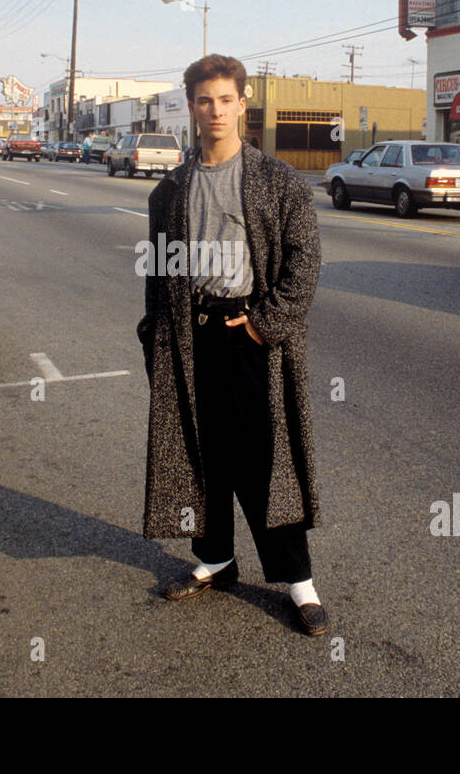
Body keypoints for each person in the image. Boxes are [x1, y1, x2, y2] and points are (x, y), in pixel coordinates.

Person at [136, 54, 328, 636]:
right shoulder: (169, 190)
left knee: (264, 459)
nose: (214, 110)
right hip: (188, 338)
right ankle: (215, 558)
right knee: (199, 452)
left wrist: (260, 325)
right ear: (191, 106)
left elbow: (305, 265)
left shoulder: (280, 182)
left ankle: (299, 582)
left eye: (225, 99)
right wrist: (156, 338)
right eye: (203, 100)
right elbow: (159, 273)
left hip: (249, 336)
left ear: (243, 103)